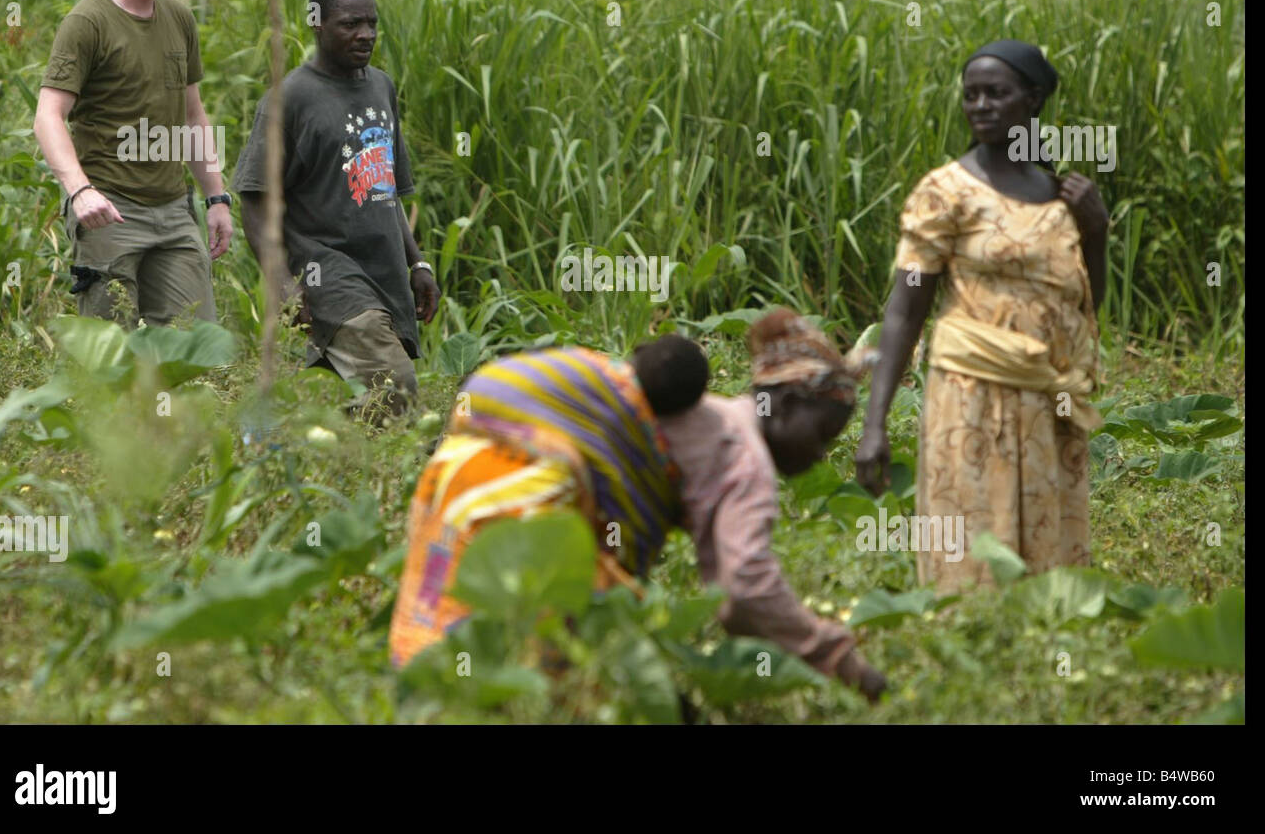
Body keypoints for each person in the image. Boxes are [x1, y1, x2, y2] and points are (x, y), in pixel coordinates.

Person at [389, 314, 887, 703]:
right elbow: (744, 585)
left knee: (450, 620)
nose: (820, 456)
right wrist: (838, 658)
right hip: (534, 485)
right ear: (783, 403)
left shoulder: (713, 416)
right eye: (822, 435)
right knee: (555, 650)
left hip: (469, 464)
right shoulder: (747, 458)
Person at [855, 39, 1110, 594]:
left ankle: (1038, 657)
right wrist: (873, 424)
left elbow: (1087, 304)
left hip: (1047, 399)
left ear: (1033, 100)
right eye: (971, 95)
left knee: (1046, 542)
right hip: (969, 394)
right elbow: (904, 310)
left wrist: (1097, 231)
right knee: (970, 532)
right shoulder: (946, 191)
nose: (981, 106)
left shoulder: (1063, 196)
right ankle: (964, 638)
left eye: (997, 93)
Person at [232, 0, 439, 417]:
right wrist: (282, 282)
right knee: (394, 385)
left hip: (384, 272)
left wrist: (416, 261)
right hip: (327, 271)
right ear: (316, 23)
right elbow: (254, 200)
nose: (365, 35)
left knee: (341, 405)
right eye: (350, 24)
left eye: (372, 23)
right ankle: (407, 475)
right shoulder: (291, 98)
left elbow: (387, 189)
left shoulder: (381, 86)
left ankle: (324, 469)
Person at [33, 0, 231, 326]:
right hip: (110, 209)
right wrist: (79, 191)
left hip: (176, 212)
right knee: (110, 361)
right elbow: (49, 115)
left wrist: (216, 198)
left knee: (194, 351)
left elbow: (193, 116)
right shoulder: (88, 22)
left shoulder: (179, 19)